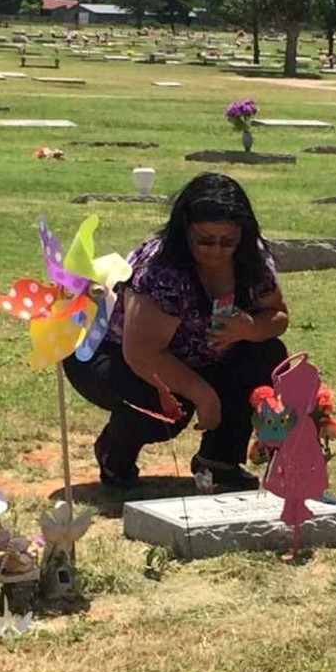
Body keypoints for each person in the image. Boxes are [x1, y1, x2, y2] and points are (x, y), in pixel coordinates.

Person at [63, 172, 290, 492]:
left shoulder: (251, 257)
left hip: (198, 355)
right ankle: (115, 455)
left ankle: (220, 460)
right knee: (168, 406)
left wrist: (251, 328)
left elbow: (278, 316)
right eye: (205, 240)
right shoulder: (161, 268)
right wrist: (204, 396)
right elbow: (142, 354)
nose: (217, 250)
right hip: (113, 356)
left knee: (266, 354)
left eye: (228, 241)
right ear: (185, 230)